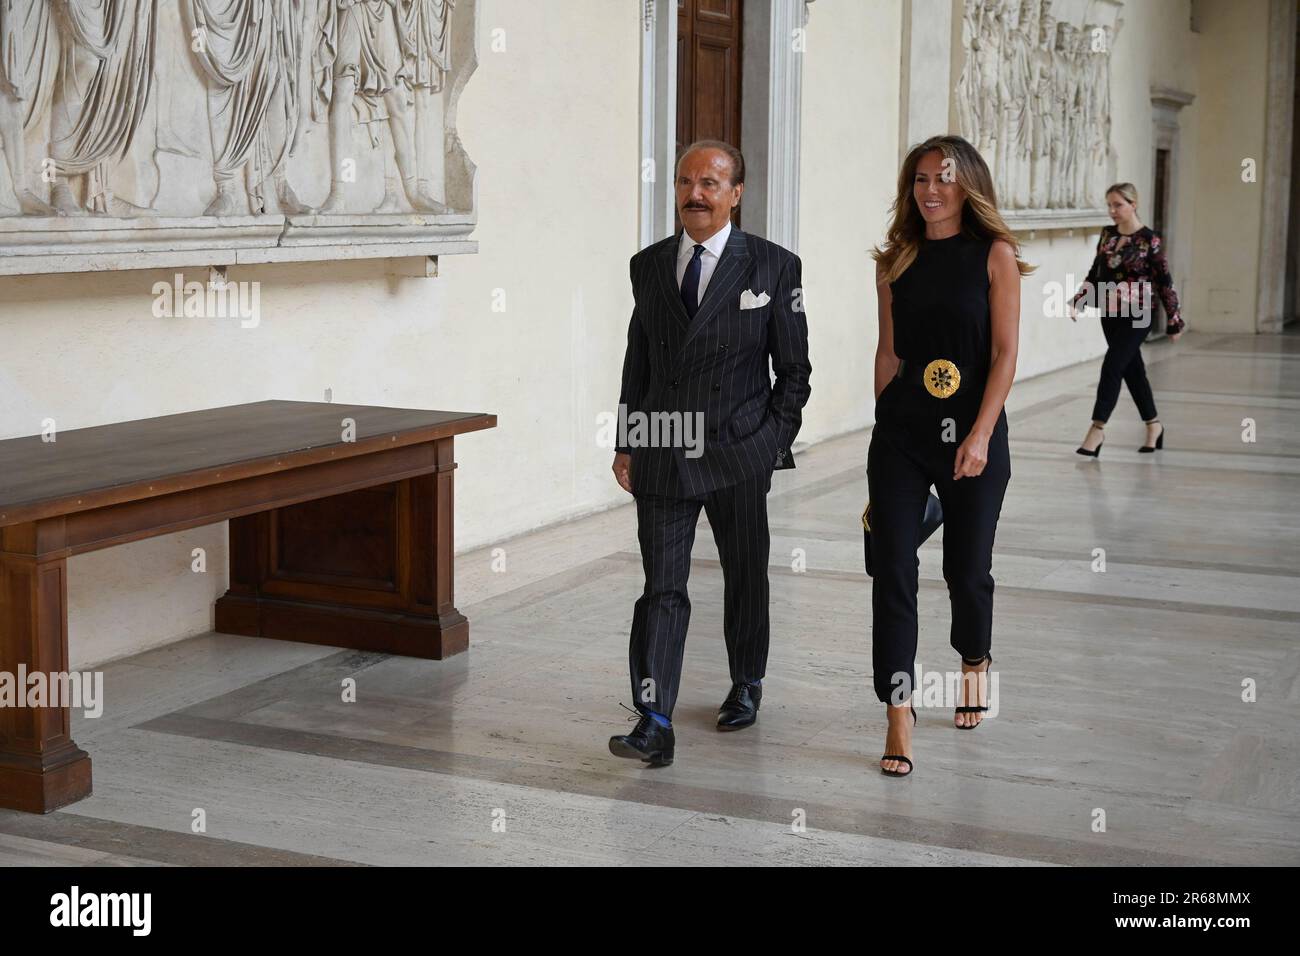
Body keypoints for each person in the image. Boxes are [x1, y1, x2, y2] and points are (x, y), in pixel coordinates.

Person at [607, 140, 811, 767]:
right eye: (685, 181)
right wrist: (628, 441)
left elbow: (795, 371)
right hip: (666, 445)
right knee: (661, 588)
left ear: (736, 193)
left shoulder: (774, 267)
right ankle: (655, 717)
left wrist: (769, 444)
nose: (695, 194)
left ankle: (746, 681)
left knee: (744, 574)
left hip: (737, 449)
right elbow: (638, 359)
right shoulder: (647, 265)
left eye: (710, 183)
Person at [868, 134, 1029, 777]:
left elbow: (1005, 354)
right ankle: (899, 710)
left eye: (945, 179)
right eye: (921, 179)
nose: (931, 190)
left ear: (970, 188)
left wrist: (981, 434)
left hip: (973, 434)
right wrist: (886, 419)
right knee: (892, 568)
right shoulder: (895, 260)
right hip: (903, 437)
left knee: (966, 570)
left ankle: (974, 660)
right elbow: (889, 352)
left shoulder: (995, 255)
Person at [1070, 182, 1185, 456]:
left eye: (1118, 205)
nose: (1112, 211)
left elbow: (1164, 280)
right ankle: (1154, 426)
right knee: (1133, 372)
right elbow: (1095, 272)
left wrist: (1174, 318)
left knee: (1112, 366)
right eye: (1109, 205)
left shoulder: (1149, 239)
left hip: (1139, 315)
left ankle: (1096, 430)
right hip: (1109, 314)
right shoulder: (1108, 235)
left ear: (1133, 204)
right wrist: (1078, 300)